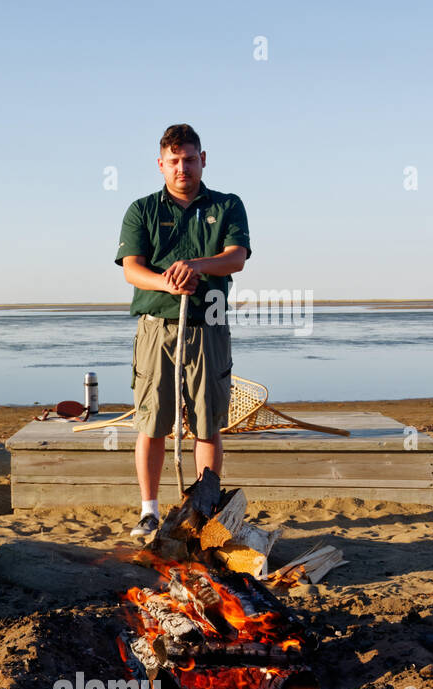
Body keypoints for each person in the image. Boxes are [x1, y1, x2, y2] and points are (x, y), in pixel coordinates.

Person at [114, 123, 251, 537]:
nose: (182, 168)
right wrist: (167, 281)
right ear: (161, 165)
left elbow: (236, 257)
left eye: (189, 159)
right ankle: (149, 511)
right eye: (173, 161)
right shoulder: (142, 210)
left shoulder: (227, 205)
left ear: (202, 160)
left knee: (207, 424)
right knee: (152, 422)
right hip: (157, 328)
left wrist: (194, 267)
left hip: (209, 325)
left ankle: (204, 509)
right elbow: (133, 270)